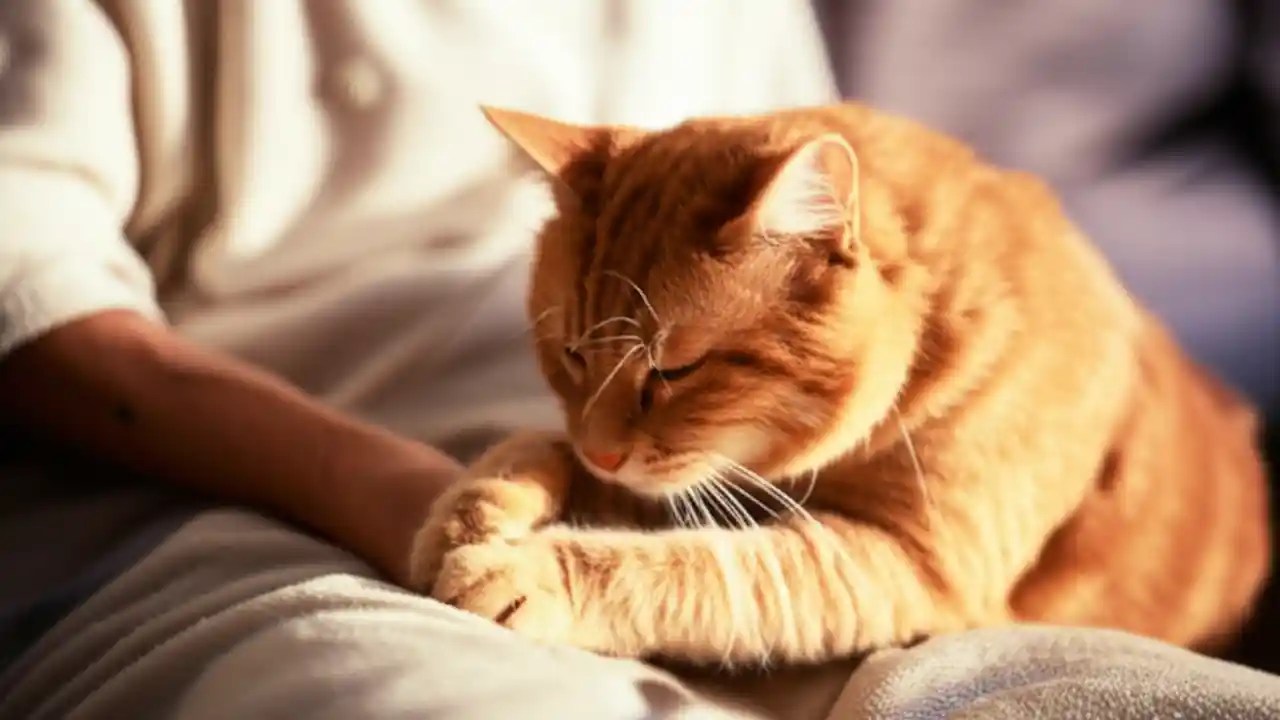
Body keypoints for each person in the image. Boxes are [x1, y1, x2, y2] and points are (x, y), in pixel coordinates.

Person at [1, 2, 1278, 719]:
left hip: (730, 520)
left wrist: (577, 481)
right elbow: (24, 278)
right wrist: (400, 489)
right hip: (258, 476)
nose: (611, 427)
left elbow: (767, 191)